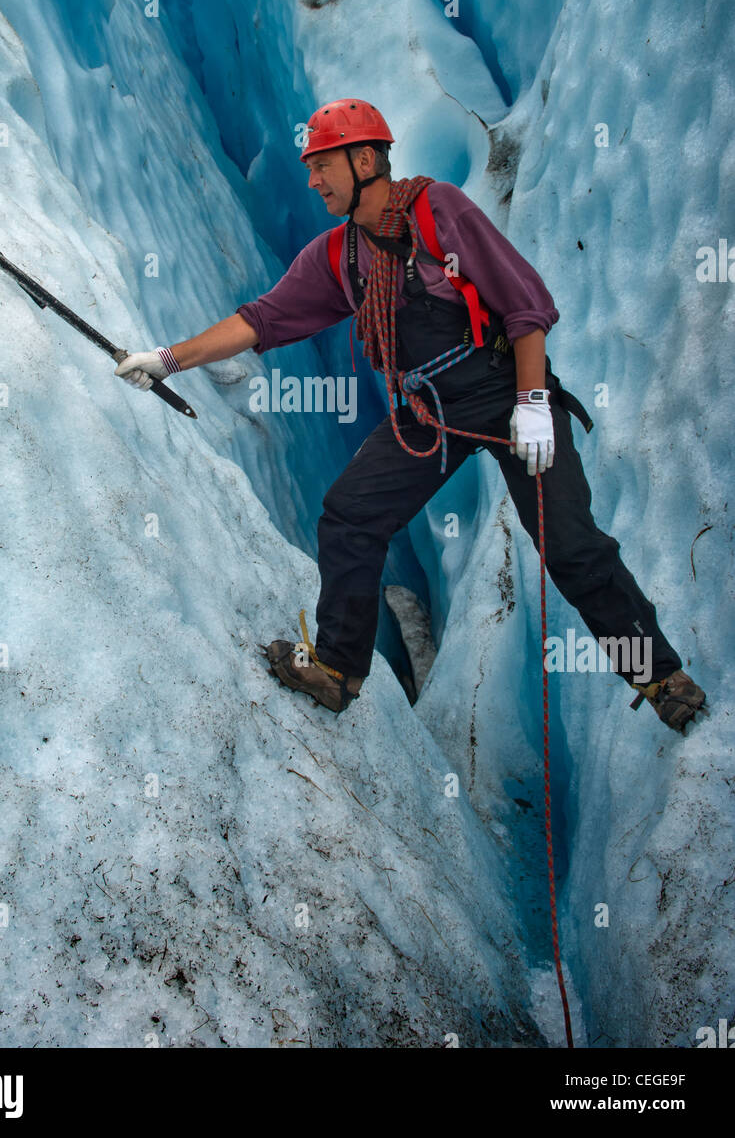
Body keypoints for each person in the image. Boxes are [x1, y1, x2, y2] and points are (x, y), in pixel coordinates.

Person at [115, 98, 706, 733]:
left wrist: (534, 404)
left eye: (321, 167)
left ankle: (662, 678)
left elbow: (527, 307)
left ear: (364, 159)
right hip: (429, 413)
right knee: (350, 514)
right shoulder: (339, 256)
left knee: (572, 549)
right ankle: (338, 670)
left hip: (509, 394)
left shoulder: (438, 211)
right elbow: (261, 320)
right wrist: (170, 359)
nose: (312, 181)